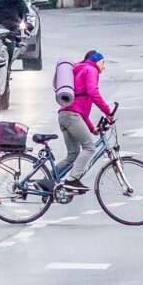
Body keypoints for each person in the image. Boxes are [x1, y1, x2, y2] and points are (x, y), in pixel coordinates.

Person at [49, 50, 114, 191]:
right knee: (90, 147)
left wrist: (92, 129)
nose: (104, 67)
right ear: (96, 61)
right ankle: (72, 180)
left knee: (73, 154)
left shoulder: (80, 70)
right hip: (72, 116)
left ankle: (46, 181)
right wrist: (108, 111)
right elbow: (93, 92)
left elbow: (82, 111)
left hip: (65, 115)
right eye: (103, 63)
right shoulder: (91, 70)